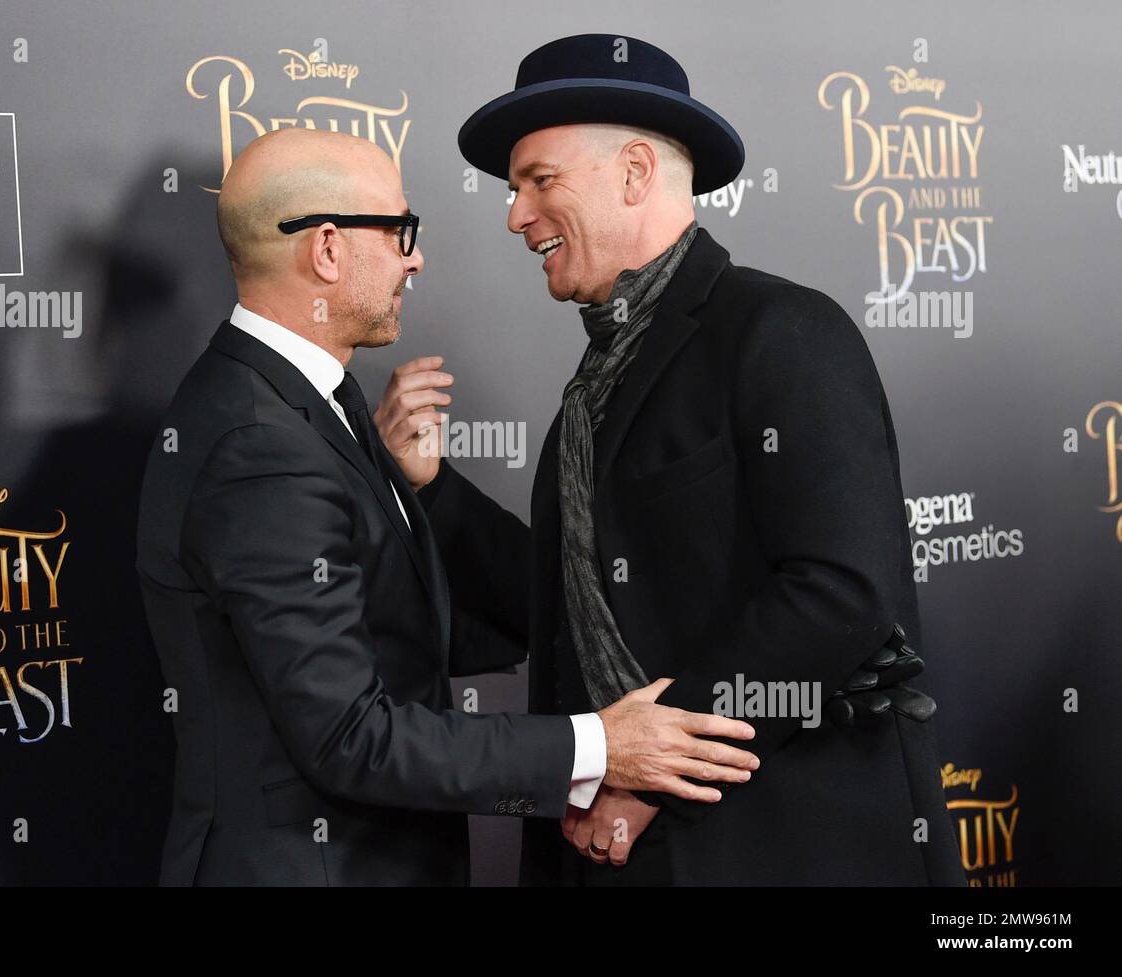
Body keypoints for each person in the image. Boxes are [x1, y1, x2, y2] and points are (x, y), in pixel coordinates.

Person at [376, 34, 965, 885]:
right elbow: (563, 610)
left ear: (635, 173)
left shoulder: (784, 331)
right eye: (514, 190)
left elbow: (842, 591)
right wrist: (432, 491)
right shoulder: (599, 379)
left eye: (540, 181)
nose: (515, 215)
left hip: (776, 846)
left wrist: (655, 771)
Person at [134, 126, 760, 885]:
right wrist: (597, 747)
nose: (415, 258)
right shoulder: (258, 443)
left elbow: (410, 636)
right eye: (401, 231)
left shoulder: (309, 403)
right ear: (327, 249)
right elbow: (349, 735)